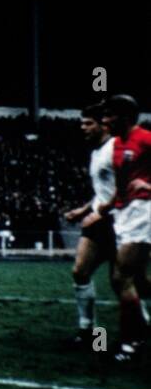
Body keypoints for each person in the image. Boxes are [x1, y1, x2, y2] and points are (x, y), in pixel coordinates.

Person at [92, 94, 150, 362]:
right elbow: (121, 183)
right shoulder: (116, 144)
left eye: (108, 115)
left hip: (144, 212)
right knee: (138, 280)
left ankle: (132, 341)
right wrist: (103, 208)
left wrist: (149, 187)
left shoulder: (145, 139)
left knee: (121, 277)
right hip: (123, 215)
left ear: (124, 117)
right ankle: (140, 332)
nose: (104, 120)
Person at [59, 103, 116, 349]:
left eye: (88, 123)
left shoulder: (116, 148)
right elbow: (102, 192)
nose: (83, 128)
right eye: (81, 123)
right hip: (98, 221)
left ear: (103, 124)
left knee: (123, 282)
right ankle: (87, 330)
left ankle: (139, 328)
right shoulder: (96, 152)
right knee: (80, 271)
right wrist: (83, 210)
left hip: (120, 220)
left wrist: (102, 211)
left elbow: (125, 188)